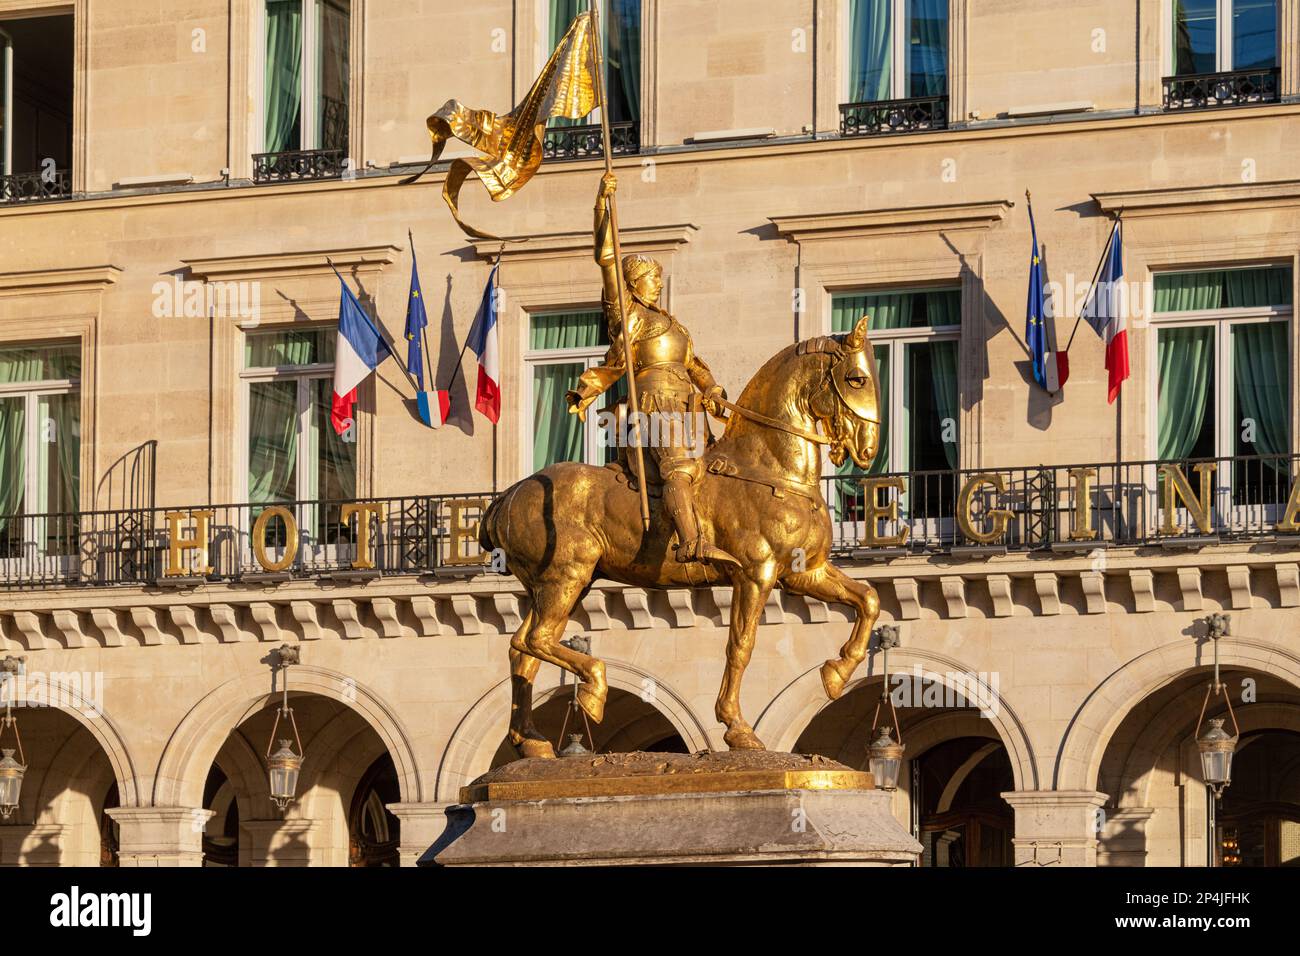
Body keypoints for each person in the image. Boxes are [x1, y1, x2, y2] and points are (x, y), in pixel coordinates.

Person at [565, 172, 739, 568]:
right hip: (652, 404)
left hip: (688, 405)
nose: (657, 284)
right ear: (633, 283)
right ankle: (691, 542)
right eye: (650, 278)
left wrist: (712, 389)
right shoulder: (629, 314)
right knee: (677, 466)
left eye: (659, 278)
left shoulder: (673, 325)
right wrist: (601, 206)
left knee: (711, 468)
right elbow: (607, 259)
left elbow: (694, 364)